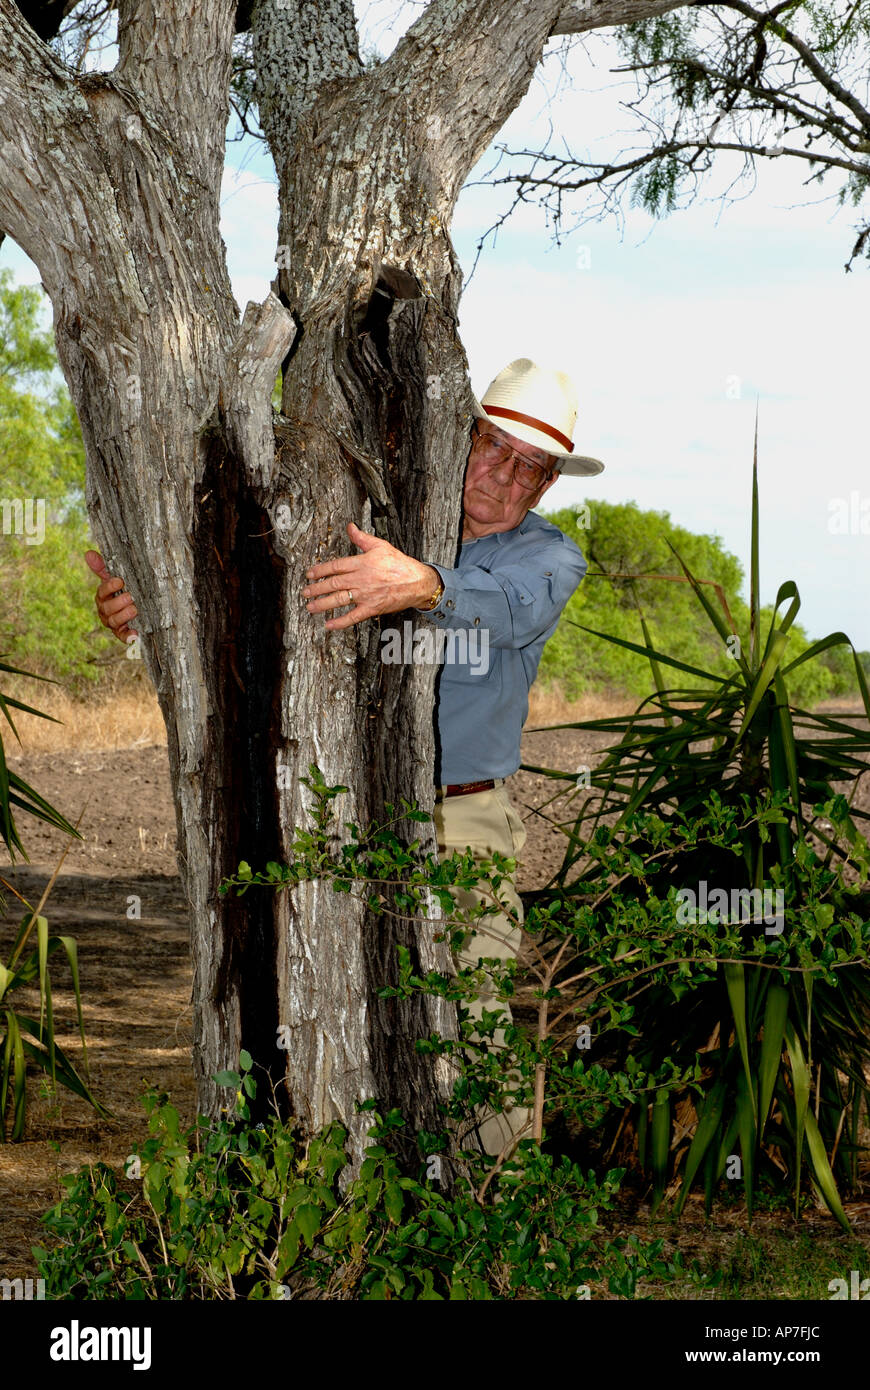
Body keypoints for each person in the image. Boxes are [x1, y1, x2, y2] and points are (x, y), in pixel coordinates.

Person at [87, 357, 604, 1157]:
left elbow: (507, 610)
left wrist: (421, 583)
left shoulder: (547, 558)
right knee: (337, 1001)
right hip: (344, 809)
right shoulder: (370, 512)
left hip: (462, 818)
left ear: (545, 488)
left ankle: (500, 1209)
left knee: (471, 1017)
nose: (504, 476)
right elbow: (256, 582)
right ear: (462, 440)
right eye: (493, 448)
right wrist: (146, 605)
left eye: (528, 467)